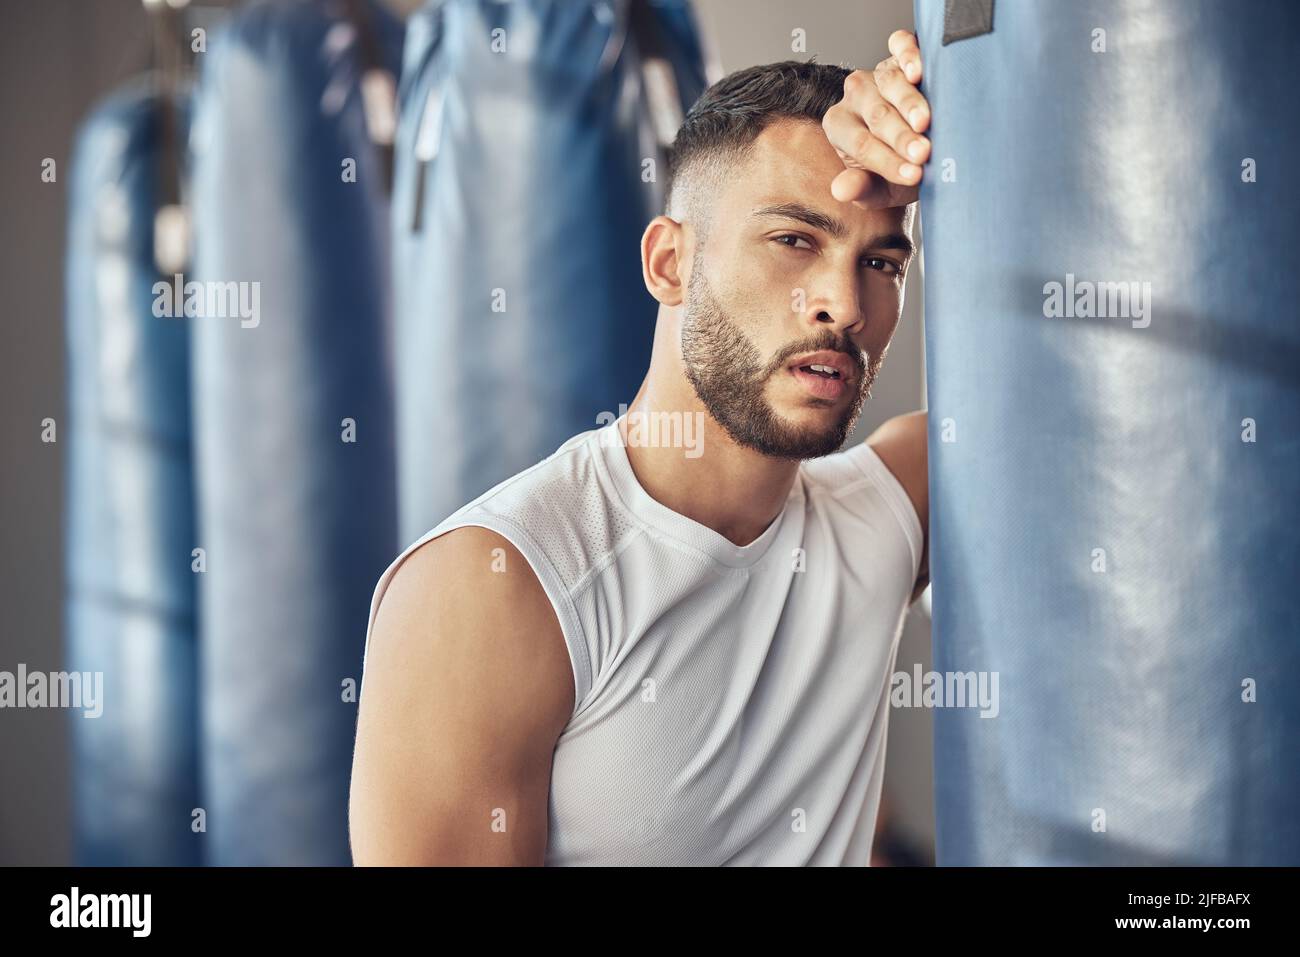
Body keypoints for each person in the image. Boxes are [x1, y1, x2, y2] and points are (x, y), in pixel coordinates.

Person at [350, 31, 936, 865]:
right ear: (669, 262)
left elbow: (1101, 393)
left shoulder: (888, 515)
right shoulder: (494, 592)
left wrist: (957, 102)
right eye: (795, 240)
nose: (840, 303)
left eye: (880, 260)